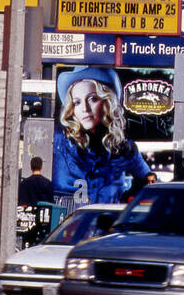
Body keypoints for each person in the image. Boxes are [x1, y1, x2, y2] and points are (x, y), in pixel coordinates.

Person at [52, 67, 155, 204]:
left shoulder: (124, 148)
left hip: (108, 223)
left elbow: (149, 179)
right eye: (77, 102)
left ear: (107, 101)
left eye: (92, 99)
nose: (85, 109)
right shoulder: (58, 140)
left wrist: (127, 201)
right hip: (68, 223)